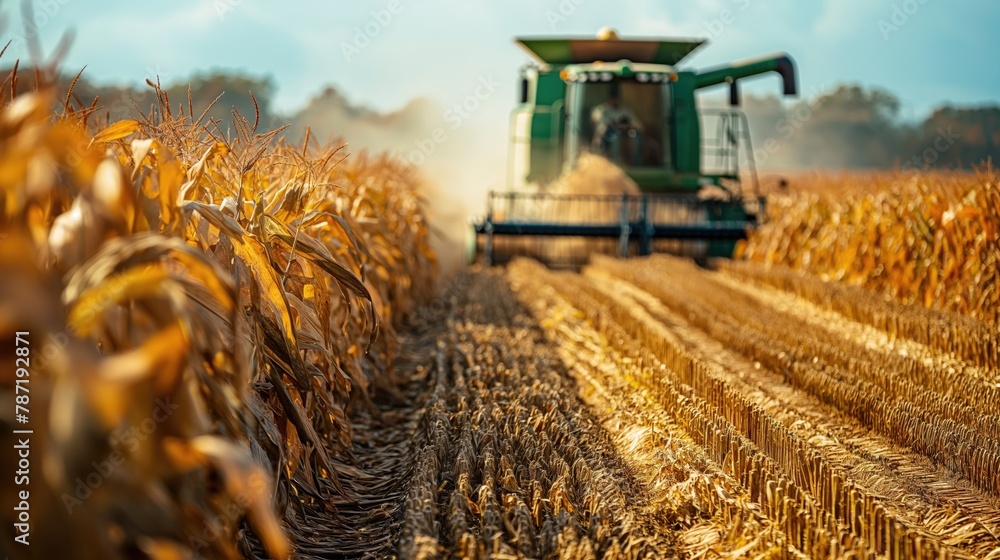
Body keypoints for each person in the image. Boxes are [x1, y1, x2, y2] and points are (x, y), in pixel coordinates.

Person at [591, 92, 644, 165]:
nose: (615, 101)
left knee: (636, 137)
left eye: (617, 99)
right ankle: (614, 163)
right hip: (608, 135)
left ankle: (635, 163)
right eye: (613, 99)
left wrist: (627, 125)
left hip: (626, 134)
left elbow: (638, 125)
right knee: (615, 137)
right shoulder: (603, 110)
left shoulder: (625, 110)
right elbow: (597, 124)